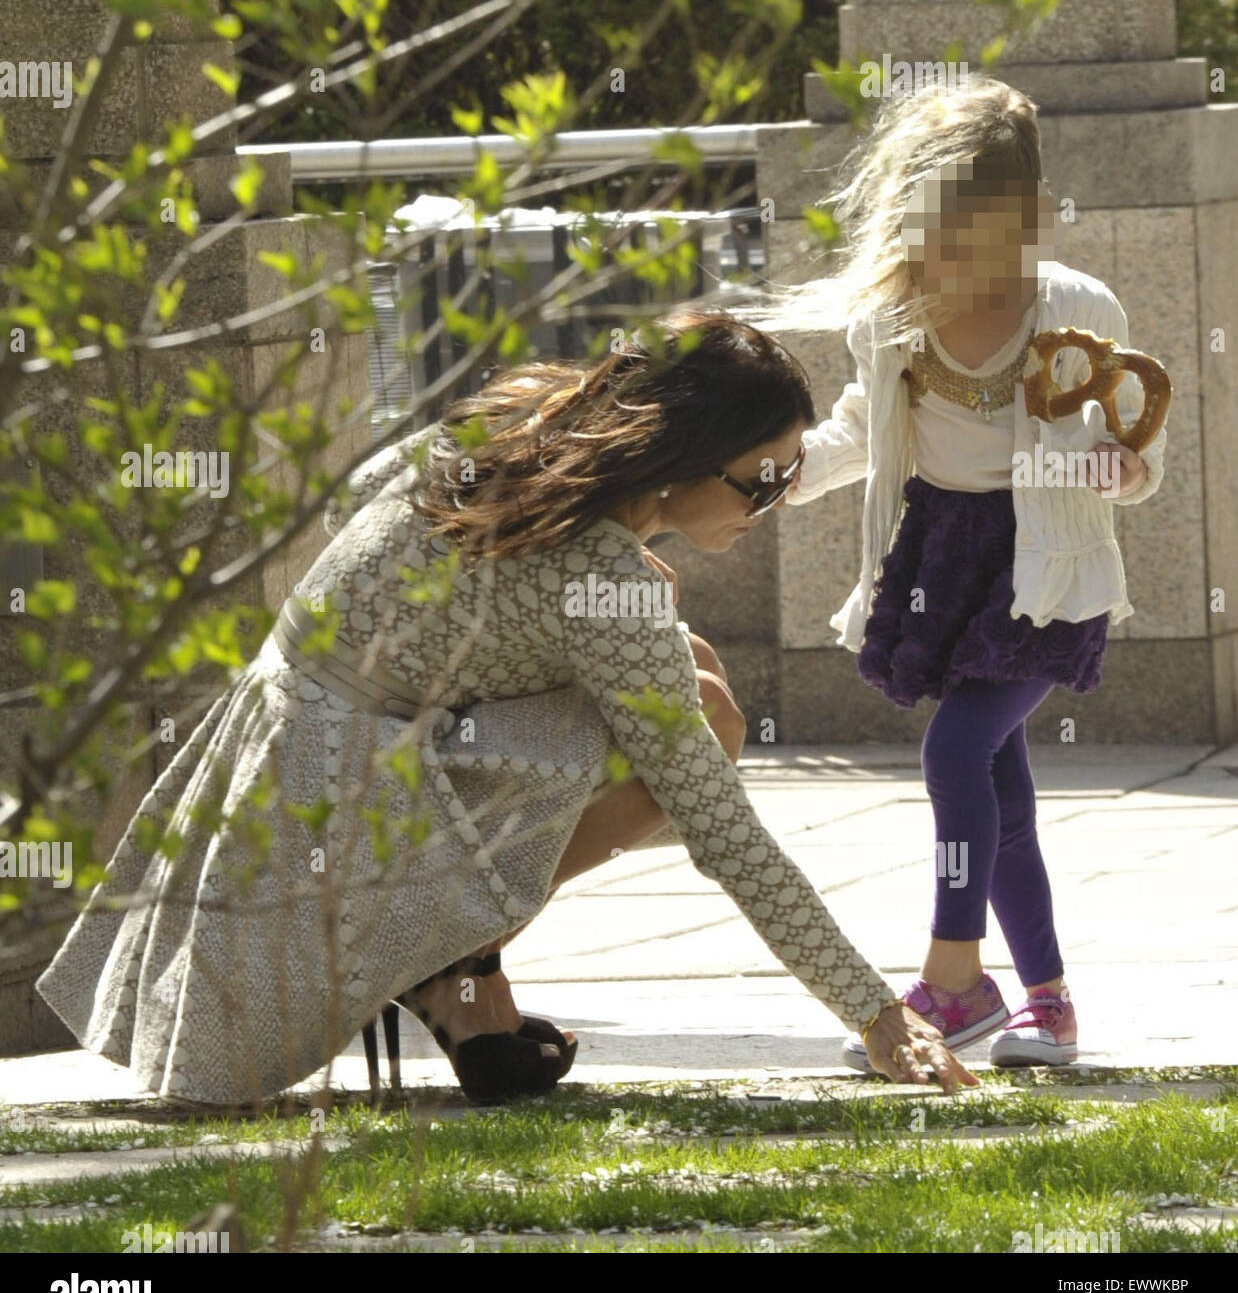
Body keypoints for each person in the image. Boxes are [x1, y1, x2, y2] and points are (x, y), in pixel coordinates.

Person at [37, 308, 975, 1107]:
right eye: (761, 479)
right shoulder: (597, 572)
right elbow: (720, 827)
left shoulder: (505, 426)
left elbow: (353, 505)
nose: (773, 504)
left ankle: (455, 965)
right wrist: (877, 1017)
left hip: (283, 725)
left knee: (689, 678)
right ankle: (451, 958)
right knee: (694, 730)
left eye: (788, 480)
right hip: (333, 809)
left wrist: (467, 639)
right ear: (684, 454)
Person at [757, 74, 1168, 1071]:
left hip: (1043, 565)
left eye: (979, 247)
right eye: (936, 244)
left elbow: (1125, 429)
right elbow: (863, 424)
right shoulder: (892, 315)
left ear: (1025, 225)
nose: (957, 269)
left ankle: (952, 984)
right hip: (941, 560)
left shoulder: (1071, 305)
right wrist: (787, 474)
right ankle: (1047, 1002)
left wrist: (1124, 469)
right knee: (1001, 796)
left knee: (953, 753)